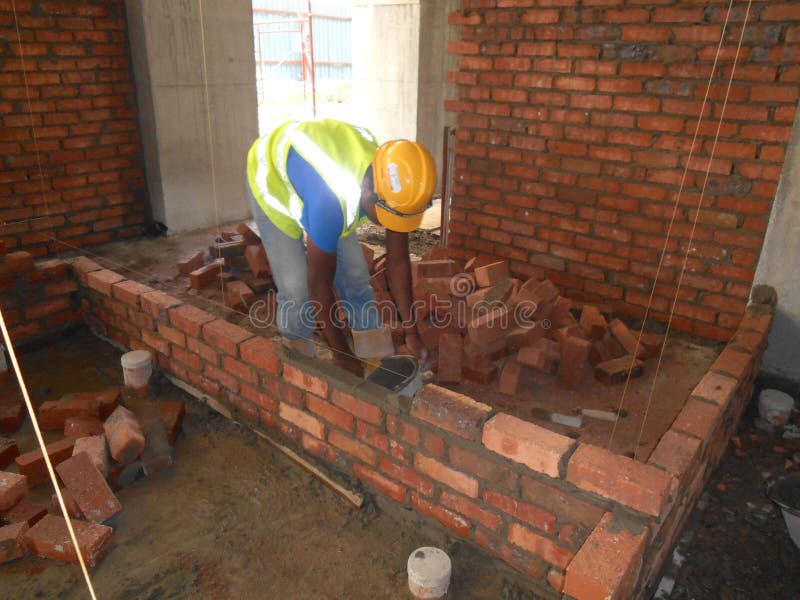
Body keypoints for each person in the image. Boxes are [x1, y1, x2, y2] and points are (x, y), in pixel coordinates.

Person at [245, 118, 436, 376]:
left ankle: (377, 358)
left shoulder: (392, 183)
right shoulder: (330, 203)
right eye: (389, 217)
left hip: (318, 183)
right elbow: (318, 285)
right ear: (368, 193)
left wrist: (412, 332)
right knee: (297, 290)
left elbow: (398, 261)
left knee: (356, 276)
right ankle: (296, 361)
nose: (391, 226)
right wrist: (341, 354)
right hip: (271, 179)